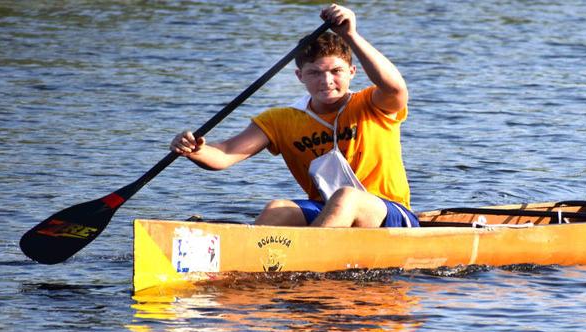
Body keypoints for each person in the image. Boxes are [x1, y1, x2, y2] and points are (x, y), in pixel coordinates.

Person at [171, 4, 417, 228]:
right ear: (300, 76)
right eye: (315, 73)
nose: (326, 81)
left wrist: (350, 35)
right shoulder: (281, 120)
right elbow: (225, 154)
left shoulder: (373, 104)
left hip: (390, 214)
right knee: (278, 209)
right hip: (328, 211)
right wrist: (194, 149)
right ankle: (256, 260)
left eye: (336, 71)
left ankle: (307, 255)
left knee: (347, 197)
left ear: (352, 72)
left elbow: (396, 88)